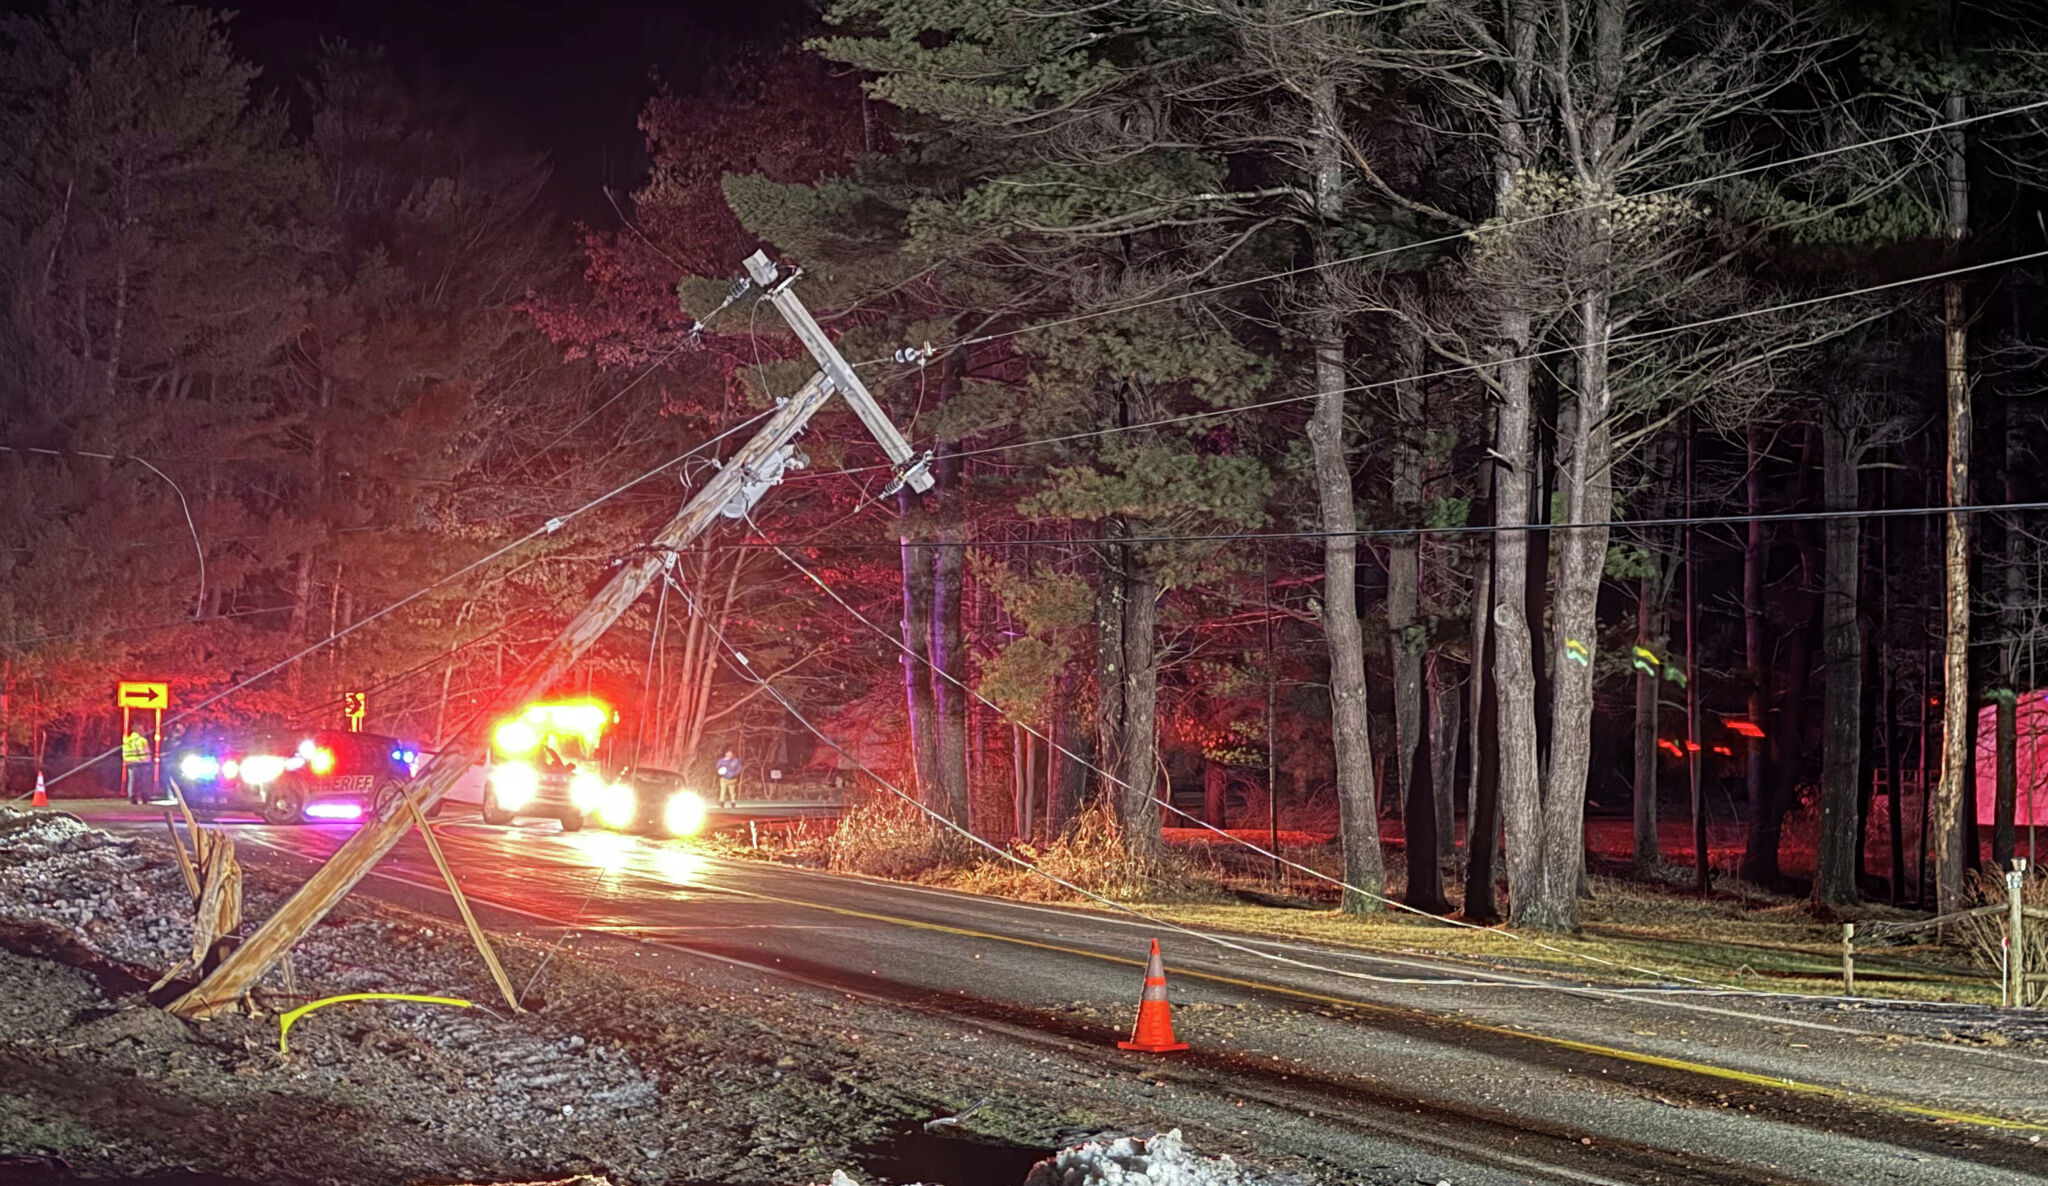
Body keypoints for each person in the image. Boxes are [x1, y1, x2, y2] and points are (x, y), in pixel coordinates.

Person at [122, 728, 152, 804]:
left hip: (130, 762)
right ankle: (144, 796)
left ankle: (132, 796)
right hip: (141, 763)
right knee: (143, 780)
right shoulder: (142, 740)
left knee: (132, 780)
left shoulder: (127, 740)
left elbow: (125, 752)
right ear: (138, 731)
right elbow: (145, 752)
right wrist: (147, 761)